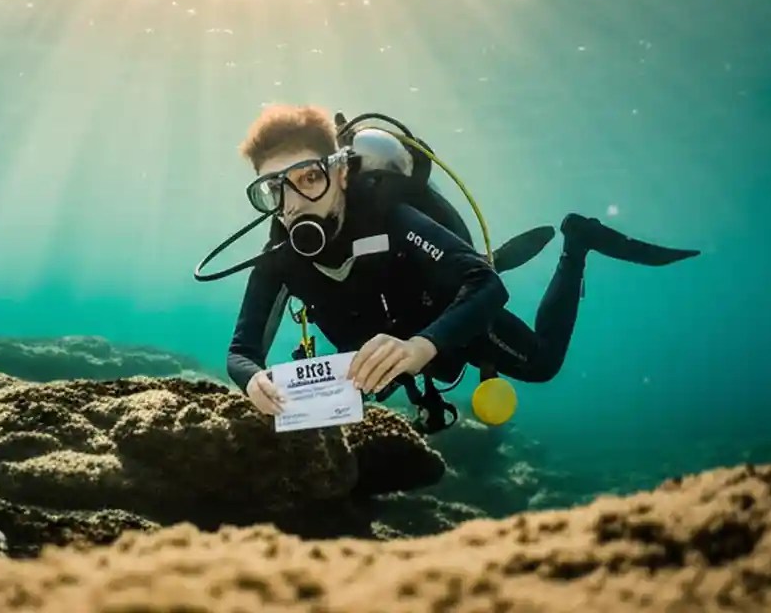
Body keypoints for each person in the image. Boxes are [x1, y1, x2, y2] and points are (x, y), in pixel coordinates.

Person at [205, 104, 699, 432]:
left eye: (309, 177)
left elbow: (487, 287)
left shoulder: (391, 215)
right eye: (275, 189)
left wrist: (423, 345)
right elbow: (242, 350)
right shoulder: (281, 256)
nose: (294, 203)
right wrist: (254, 383)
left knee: (542, 365)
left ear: (339, 171)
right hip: (386, 345)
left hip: (447, 314)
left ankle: (577, 243)